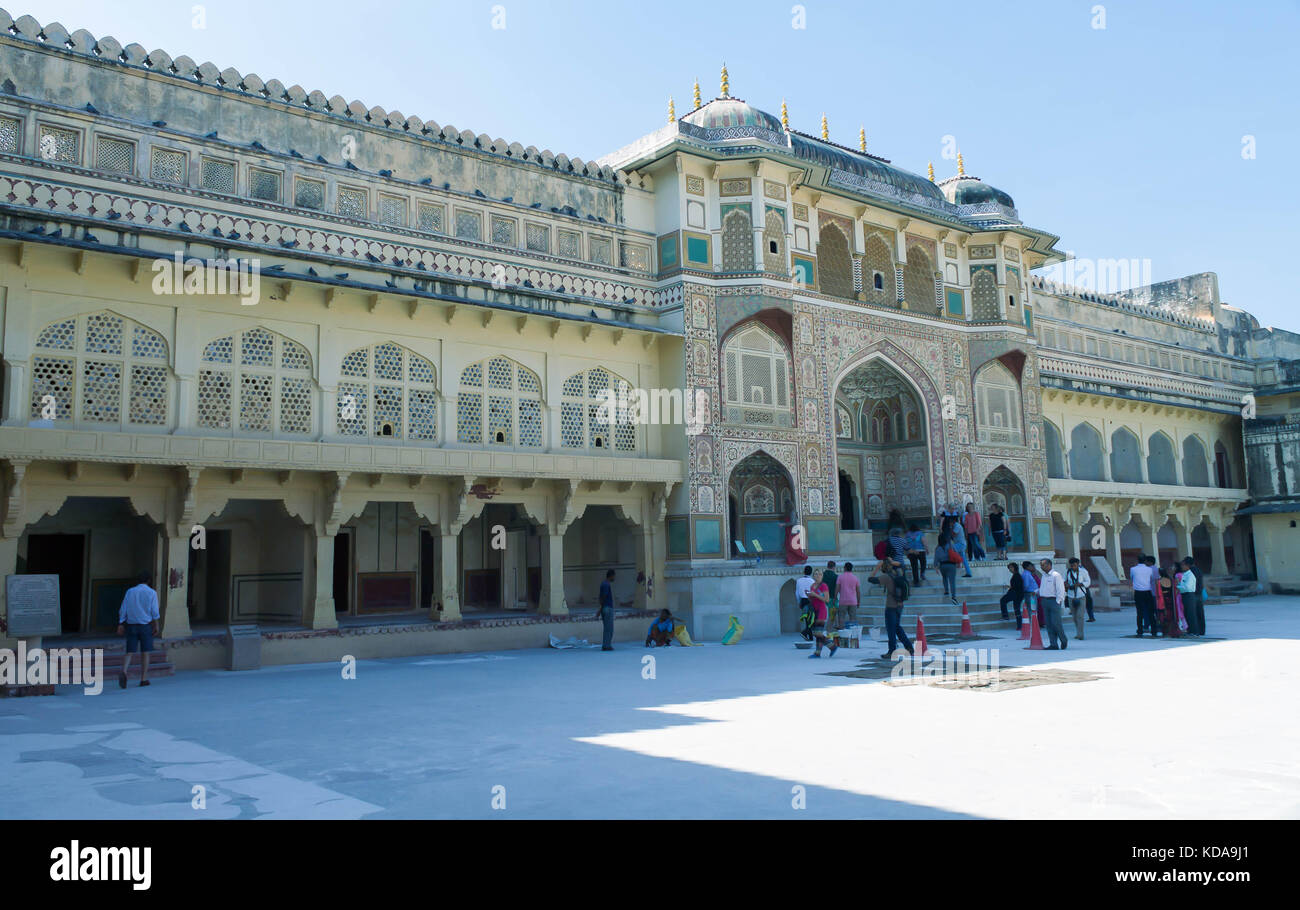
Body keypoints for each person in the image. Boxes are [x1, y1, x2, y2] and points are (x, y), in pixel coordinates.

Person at [117, 571, 161, 689]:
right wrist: (156, 625)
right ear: (149, 581)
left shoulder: (130, 591)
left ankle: (124, 671)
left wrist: (121, 623)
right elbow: (154, 611)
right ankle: (143, 679)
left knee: (129, 651)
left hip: (131, 625)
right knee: (145, 652)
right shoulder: (152, 593)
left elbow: (123, 608)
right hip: (145, 626)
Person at [870, 557, 913, 660]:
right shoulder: (899, 573)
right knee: (897, 627)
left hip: (891, 606)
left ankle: (892, 651)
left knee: (891, 629)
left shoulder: (886, 577)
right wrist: (893, 562)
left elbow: (871, 579)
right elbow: (903, 566)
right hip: (900, 605)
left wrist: (876, 568)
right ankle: (909, 647)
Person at [806, 569, 838, 659]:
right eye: (816, 574)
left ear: (822, 576)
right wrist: (809, 596)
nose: (817, 576)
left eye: (819, 574)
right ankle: (817, 652)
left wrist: (815, 595)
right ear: (813, 576)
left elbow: (826, 600)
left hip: (822, 610)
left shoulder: (823, 586)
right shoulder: (812, 586)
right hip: (814, 611)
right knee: (816, 632)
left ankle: (832, 646)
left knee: (817, 633)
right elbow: (812, 600)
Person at [1037, 559, 1068, 650]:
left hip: (1054, 601)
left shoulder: (1056, 575)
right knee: (1048, 623)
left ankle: (1063, 639)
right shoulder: (1044, 576)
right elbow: (1043, 588)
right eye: (1041, 565)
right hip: (1044, 601)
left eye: (1043, 565)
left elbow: (1060, 590)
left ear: (1049, 565)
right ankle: (1053, 644)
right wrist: (1037, 592)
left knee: (1056, 623)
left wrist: (1059, 601)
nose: (1042, 567)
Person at [1130, 554, 1157, 637]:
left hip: (1138, 592)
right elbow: (1151, 578)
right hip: (1147, 591)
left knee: (1139, 612)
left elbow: (1132, 578)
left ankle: (1140, 630)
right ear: (1145, 560)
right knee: (1150, 612)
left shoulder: (1133, 569)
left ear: (1137, 560)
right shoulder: (1149, 569)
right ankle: (1153, 630)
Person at [1064, 557, 1091, 640]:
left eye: (1074, 565)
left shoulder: (1083, 572)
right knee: (1074, 616)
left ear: (1078, 564)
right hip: (1071, 595)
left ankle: (1081, 634)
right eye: (1071, 566)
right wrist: (1066, 584)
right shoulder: (1068, 572)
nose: (1073, 567)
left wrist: (1080, 584)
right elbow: (1064, 581)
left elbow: (1088, 582)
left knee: (1080, 616)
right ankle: (1078, 632)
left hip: (1081, 595)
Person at [1180, 556, 1206, 636]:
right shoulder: (1198, 570)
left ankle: (1194, 631)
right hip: (1199, 594)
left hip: (1192, 594)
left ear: (1187, 564)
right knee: (1199, 613)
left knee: (1191, 614)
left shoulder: (1190, 572)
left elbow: (1189, 585)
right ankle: (1201, 630)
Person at [1154, 569, 1182, 639]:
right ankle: (1172, 631)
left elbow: (1158, 593)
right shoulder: (1171, 580)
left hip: (1163, 600)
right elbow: (1176, 590)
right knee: (1171, 616)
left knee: (1163, 616)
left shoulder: (1159, 581)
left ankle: (1165, 632)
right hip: (1171, 600)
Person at [935, 526, 960, 605]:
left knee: (944, 578)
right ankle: (953, 597)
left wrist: (936, 567)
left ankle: (946, 591)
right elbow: (956, 553)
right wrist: (959, 562)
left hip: (942, 566)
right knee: (952, 581)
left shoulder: (938, 548)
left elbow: (936, 559)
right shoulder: (950, 545)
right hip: (951, 565)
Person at [1000, 560, 1025, 628]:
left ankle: (1005, 616)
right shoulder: (1016, 575)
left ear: (1015, 568)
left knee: (1003, 600)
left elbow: (1017, 586)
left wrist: (1010, 588)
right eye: (1009, 568)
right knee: (1016, 609)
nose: (1010, 569)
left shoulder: (1017, 576)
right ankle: (1019, 625)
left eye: (1011, 567)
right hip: (1017, 594)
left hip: (1015, 594)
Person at [597, 569, 616, 650]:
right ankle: (606, 645)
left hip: (605, 608)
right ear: (611, 576)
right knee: (609, 629)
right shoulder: (606, 585)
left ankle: (606, 645)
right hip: (607, 608)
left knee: (607, 628)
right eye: (614, 576)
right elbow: (603, 597)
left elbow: (600, 597)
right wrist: (600, 609)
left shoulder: (604, 584)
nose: (614, 578)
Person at [836, 562, 860, 628]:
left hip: (843, 601)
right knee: (852, 618)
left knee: (841, 617)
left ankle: (841, 632)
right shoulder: (855, 578)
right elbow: (858, 592)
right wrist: (858, 602)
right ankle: (852, 634)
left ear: (845, 568)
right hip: (853, 601)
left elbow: (837, 589)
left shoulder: (840, 577)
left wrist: (835, 598)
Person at [795, 565, 815, 639]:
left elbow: (797, 593)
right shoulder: (812, 581)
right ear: (811, 572)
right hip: (811, 601)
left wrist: (799, 602)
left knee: (807, 619)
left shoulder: (799, 580)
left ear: (804, 571)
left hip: (803, 600)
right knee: (812, 618)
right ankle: (805, 633)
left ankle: (809, 636)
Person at [1021, 560, 1040, 629]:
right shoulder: (1026, 574)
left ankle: (1034, 625)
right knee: (1032, 609)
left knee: (1033, 609)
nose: (1032, 567)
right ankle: (1032, 626)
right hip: (1030, 594)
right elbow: (1026, 585)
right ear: (1027, 567)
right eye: (1031, 566)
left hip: (1032, 594)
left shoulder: (1028, 573)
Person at [822, 561, 839, 629]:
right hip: (832, 597)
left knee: (833, 614)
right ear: (834, 567)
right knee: (832, 615)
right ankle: (828, 630)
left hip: (823, 597)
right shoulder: (835, 576)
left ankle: (836, 625)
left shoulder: (822, 575)